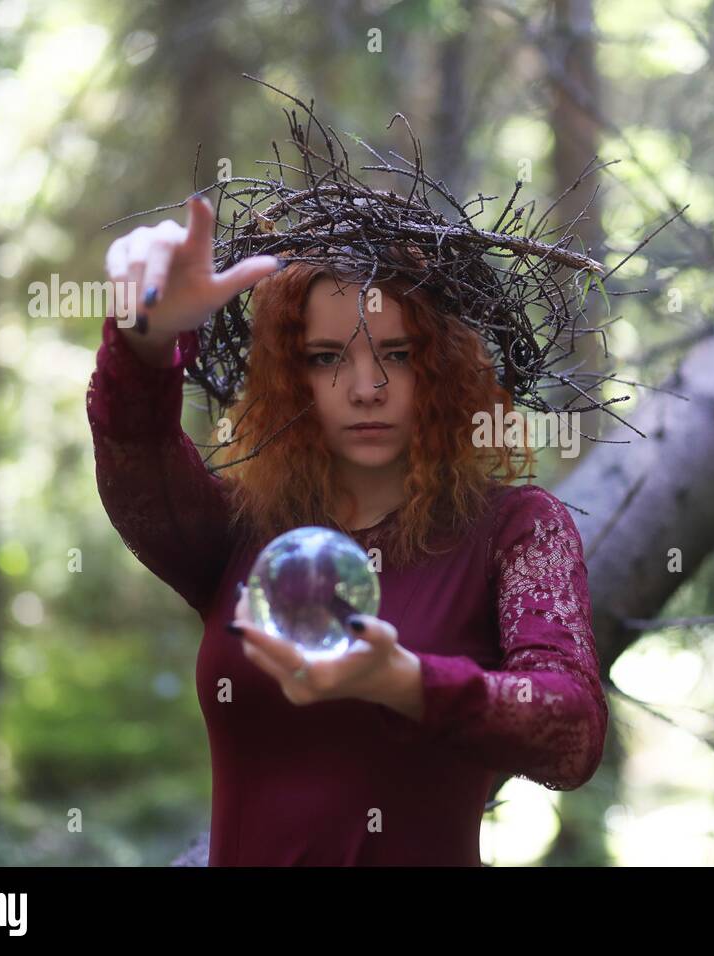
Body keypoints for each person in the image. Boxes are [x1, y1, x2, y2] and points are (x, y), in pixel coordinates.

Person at [88, 193, 608, 865]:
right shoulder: (242, 528)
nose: (366, 387)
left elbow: (571, 731)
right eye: (327, 357)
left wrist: (402, 681)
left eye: (397, 353)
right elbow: (136, 459)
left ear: (445, 363)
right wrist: (145, 336)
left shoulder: (515, 530)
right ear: (289, 373)